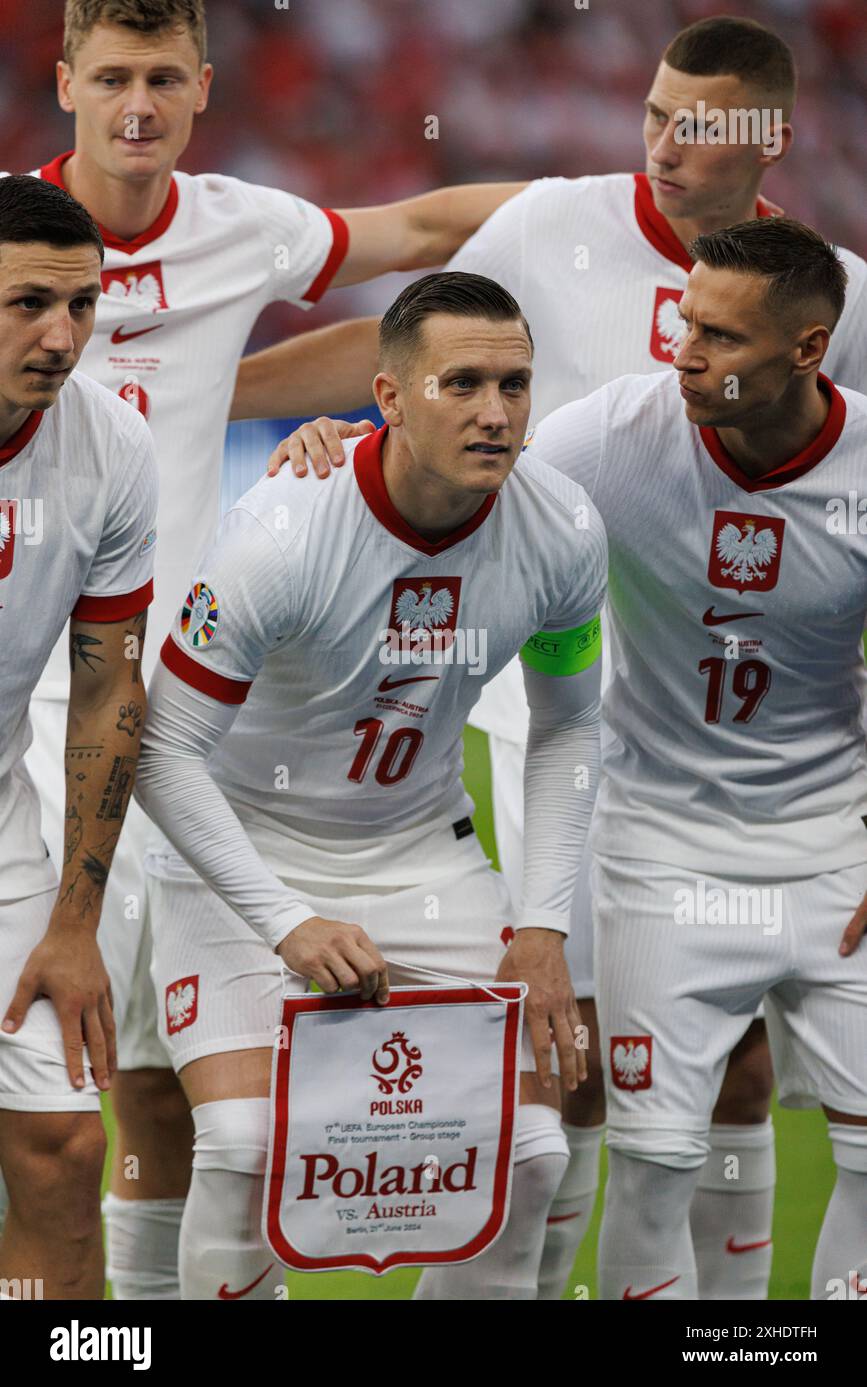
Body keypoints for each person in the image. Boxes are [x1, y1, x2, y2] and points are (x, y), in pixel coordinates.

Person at [260, 15, 867, 1301]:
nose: (661, 146)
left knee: (727, 1069)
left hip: (746, 741)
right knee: (563, 1050)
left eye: (697, 128)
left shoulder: (837, 297)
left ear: (771, 140)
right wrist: (273, 408)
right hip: (578, 721)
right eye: (652, 112)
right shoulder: (554, 228)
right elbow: (417, 349)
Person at [12, 0, 526, 1299]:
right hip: (32, 725)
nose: (140, 106)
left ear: (202, 89)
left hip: (167, 714)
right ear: (62, 76)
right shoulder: (10, 240)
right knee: (79, 1103)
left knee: (161, 1098)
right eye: (114, 75)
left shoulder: (243, 227)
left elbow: (416, 239)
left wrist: (603, 205)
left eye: (166, 79)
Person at [134, 271, 607, 1300]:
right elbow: (161, 748)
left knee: (530, 1159)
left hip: (422, 852)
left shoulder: (564, 529)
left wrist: (544, 920)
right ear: (388, 397)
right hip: (241, 854)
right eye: (463, 383)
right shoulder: (282, 530)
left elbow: (570, 724)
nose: (496, 413)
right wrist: (286, 920)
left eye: (516, 385)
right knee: (248, 1148)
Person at [522, 216, 867, 1299]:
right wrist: (337, 447)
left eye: (720, 337)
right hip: (663, 852)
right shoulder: (618, 437)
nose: (683, 350)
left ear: (808, 350)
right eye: (683, 320)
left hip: (838, 853)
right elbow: (464, 481)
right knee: (658, 1163)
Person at [0, 174, 158, 1298]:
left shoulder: (111, 449)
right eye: (25, 305)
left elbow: (107, 690)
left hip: (4, 843)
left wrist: (73, 919)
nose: (62, 338)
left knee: (66, 1146)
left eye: (83, 306)